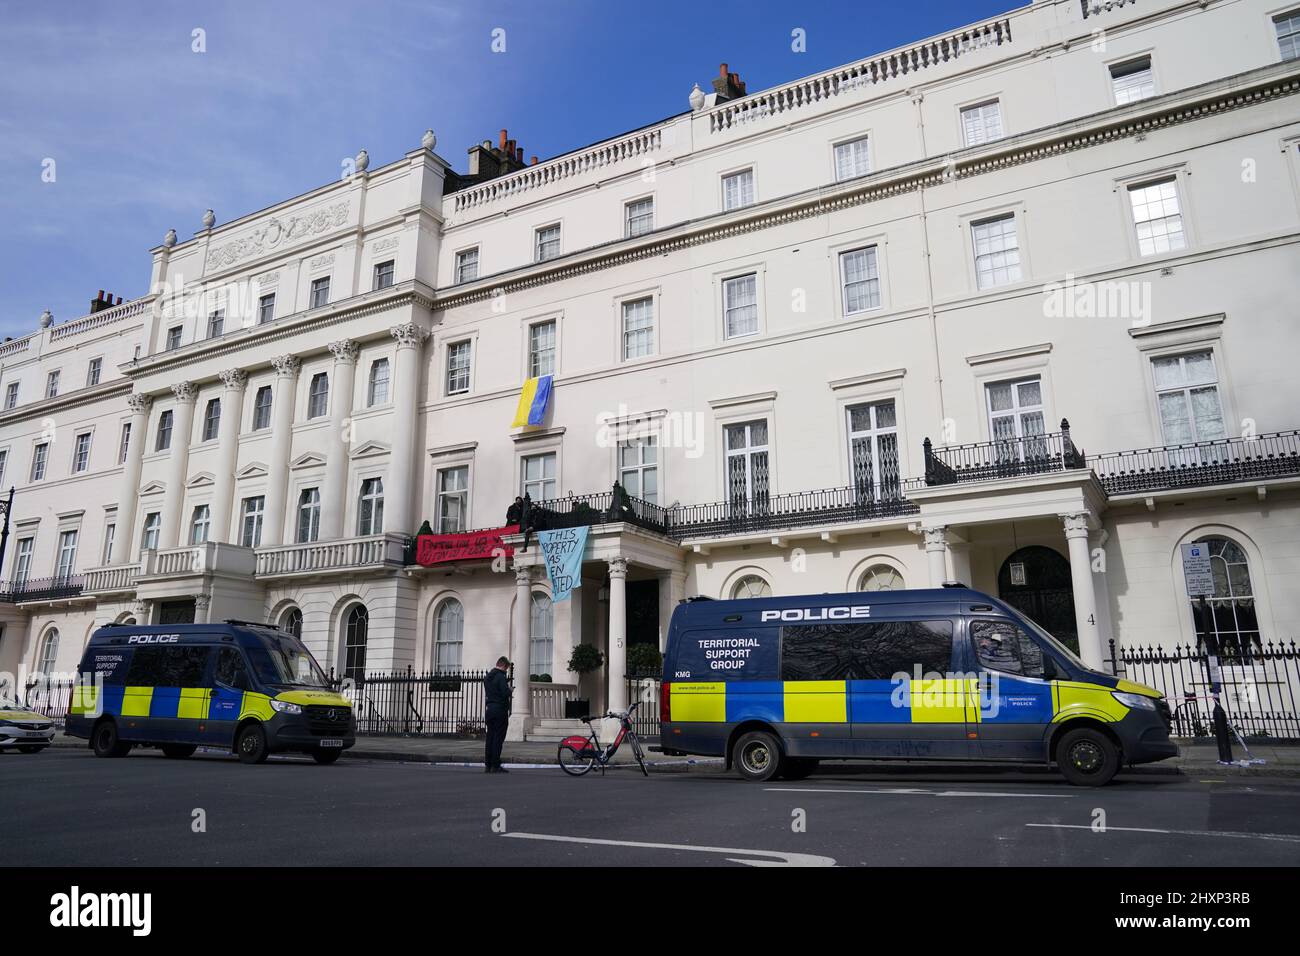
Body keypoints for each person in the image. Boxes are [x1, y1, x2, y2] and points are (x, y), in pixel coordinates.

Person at [484, 656, 512, 773]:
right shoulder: (501, 677)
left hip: (489, 709)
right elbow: (504, 693)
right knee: (498, 738)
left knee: (490, 737)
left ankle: (488, 764)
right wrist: (510, 690)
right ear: (504, 666)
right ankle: (495, 764)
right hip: (500, 710)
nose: (506, 671)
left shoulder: (488, 677)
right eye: (507, 668)